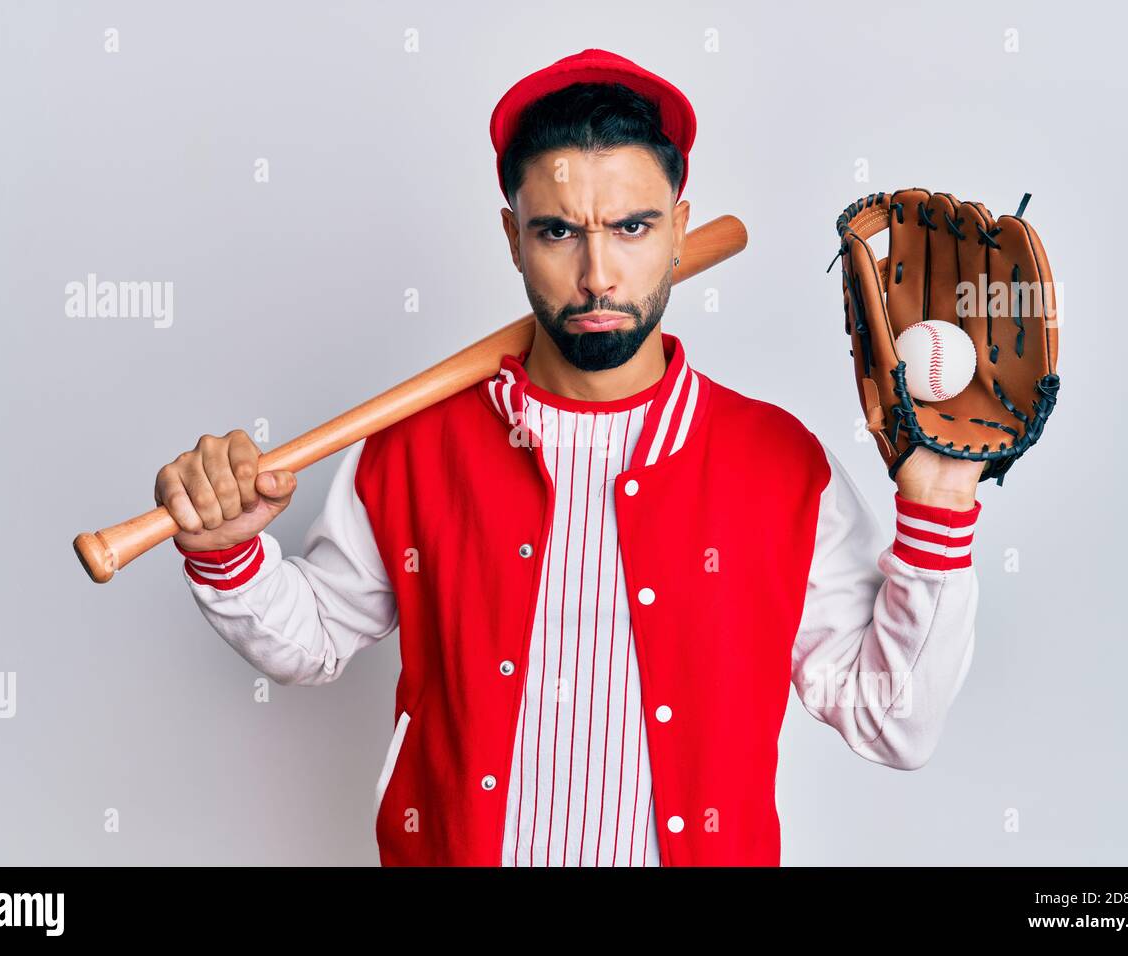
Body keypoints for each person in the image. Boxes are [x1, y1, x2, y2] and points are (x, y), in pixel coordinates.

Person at [156, 49, 984, 867]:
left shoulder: (778, 465)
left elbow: (893, 722)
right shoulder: (415, 445)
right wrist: (225, 550)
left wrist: (940, 508)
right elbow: (314, 639)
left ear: (679, 232)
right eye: (558, 231)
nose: (597, 275)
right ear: (514, 240)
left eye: (632, 227)